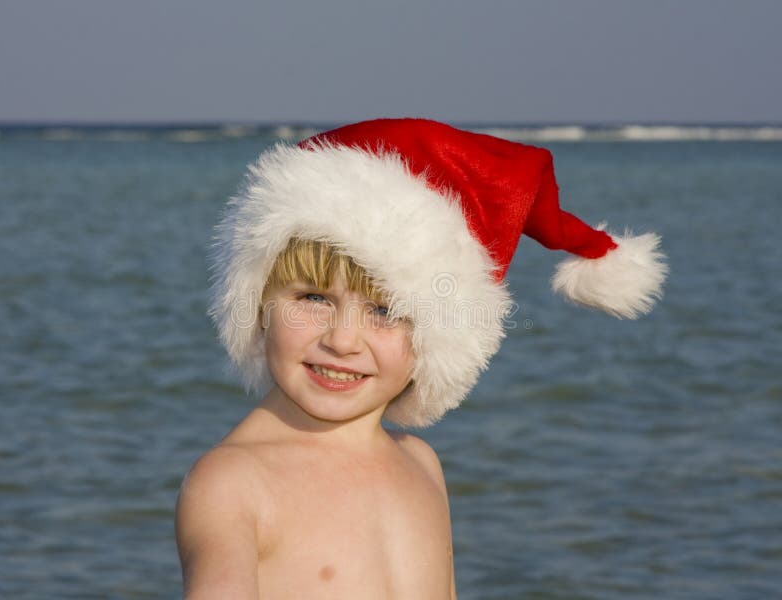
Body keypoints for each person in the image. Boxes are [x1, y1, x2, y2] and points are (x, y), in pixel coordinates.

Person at [175, 118, 668, 599]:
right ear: (259, 304)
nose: (343, 340)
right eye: (313, 298)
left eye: (387, 310)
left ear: (438, 338)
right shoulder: (234, 483)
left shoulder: (421, 464)